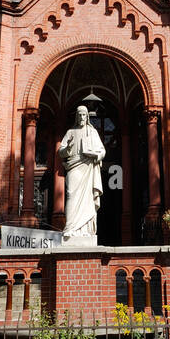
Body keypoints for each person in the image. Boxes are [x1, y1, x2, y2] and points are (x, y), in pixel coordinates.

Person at [58, 104, 105, 247]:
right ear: (76, 116)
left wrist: (95, 155)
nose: (81, 117)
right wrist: (68, 148)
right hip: (74, 166)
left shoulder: (92, 132)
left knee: (88, 199)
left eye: (84, 115)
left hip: (88, 167)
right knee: (71, 194)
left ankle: (85, 230)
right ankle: (70, 228)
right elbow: (60, 151)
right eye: (79, 115)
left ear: (87, 116)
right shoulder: (71, 132)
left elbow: (102, 151)